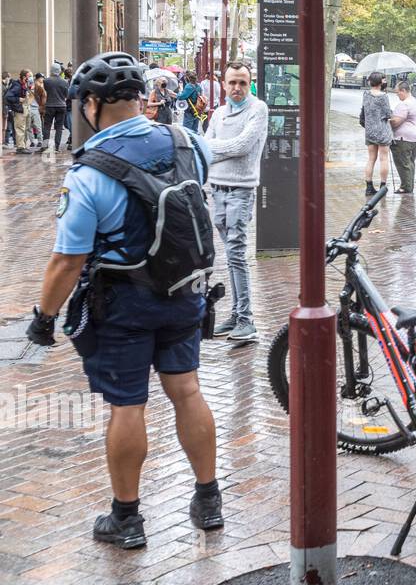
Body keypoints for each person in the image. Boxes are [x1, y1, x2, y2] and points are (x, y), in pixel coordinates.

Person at [25, 51, 222, 549]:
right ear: (140, 98)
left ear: (92, 103)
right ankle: (208, 498)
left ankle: (127, 519)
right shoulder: (189, 142)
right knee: (188, 392)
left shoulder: (88, 173)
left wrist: (44, 318)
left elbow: (67, 262)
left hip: (124, 307)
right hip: (184, 294)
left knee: (127, 406)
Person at [205, 61, 269, 343]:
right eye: (232, 82)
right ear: (224, 84)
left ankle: (246, 319)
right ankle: (236, 313)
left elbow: (243, 147)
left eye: (242, 82)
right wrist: (219, 150)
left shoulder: (258, 110)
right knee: (230, 257)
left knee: (237, 254)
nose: (237, 88)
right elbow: (204, 147)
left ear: (250, 82)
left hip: (240, 191)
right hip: (216, 190)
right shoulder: (218, 114)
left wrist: (215, 148)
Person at [389, 80, 416, 195]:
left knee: (402, 163)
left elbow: (396, 122)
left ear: (403, 91)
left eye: (397, 92)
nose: (397, 95)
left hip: (404, 139)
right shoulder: (414, 102)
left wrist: (389, 119)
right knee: (410, 163)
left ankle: (405, 187)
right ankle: (410, 186)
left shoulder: (404, 104)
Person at [362, 71, 393, 196]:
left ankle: (369, 187)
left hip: (369, 131)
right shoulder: (383, 96)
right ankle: (382, 186)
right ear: (379, 82)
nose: (385, 81)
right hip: (382, 131)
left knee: (371, 159)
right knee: (383, 159)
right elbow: (388, 114)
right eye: (383, 80)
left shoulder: (365, 94)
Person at [42, 67, 70, 151]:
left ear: (51, 71)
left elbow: (47, 91)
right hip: (61, 106)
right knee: (59, 127)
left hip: (50, 105)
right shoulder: (65, 82)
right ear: (59, 71)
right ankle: (57, 147)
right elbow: (66, 95)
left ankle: (45, 146)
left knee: (47, 126)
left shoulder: (46, 81)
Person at [7, 70, 34, 154]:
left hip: (25, 109)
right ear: (24, 77)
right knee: (20, 128)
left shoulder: (25, 85)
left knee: (25, 128)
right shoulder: (17, 85)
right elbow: (8, 97)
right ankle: (20, 147)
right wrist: (18, 99)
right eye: (29, 76)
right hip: (19, 110)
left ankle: (24, 146)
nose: (30, 78)